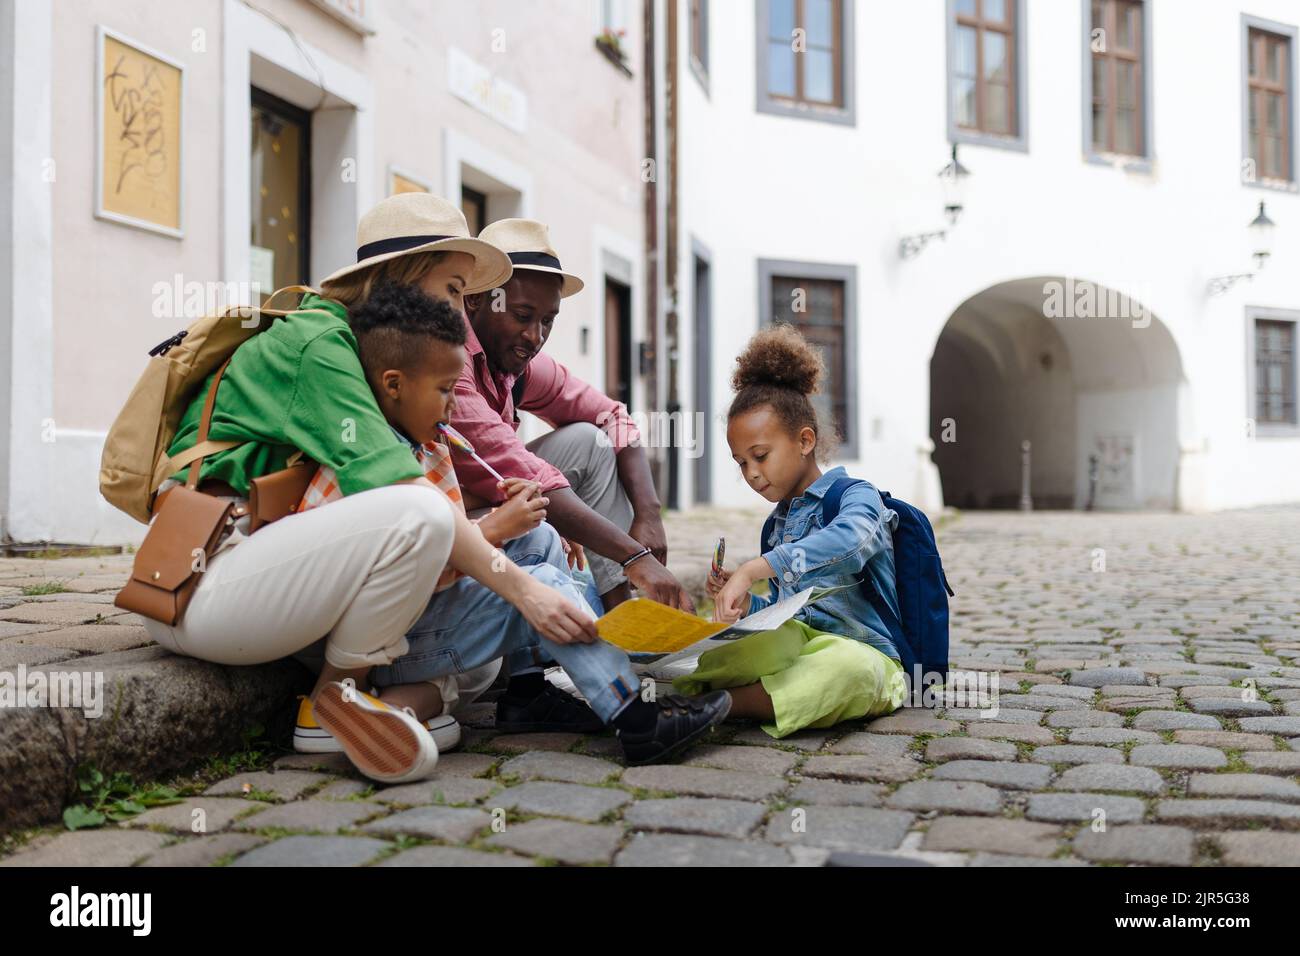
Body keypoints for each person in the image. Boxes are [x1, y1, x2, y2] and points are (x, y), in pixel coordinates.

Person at [674, 324, 909, 738]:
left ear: (804, 441)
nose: (751, 473)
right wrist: (744, 606)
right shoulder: (778, 524)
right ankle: (675, 694)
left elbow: (849, 545)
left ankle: (712, 705)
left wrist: (755, 568)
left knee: (847, 670)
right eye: (741, 462)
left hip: (866, 652)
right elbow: (784, 614)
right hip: (798, 643)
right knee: (745, 646)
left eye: (760, 456)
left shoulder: (858, 498)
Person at [452, 219, 694, 616]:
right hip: (450, 520)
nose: (535, 335)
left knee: (591, 439)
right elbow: (526, 474)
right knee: (541, 519)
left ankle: (624, 620)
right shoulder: (449, 362)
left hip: (494, 495)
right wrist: (635, 556)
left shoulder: (517, 365)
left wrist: (649, 515)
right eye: (522, 315)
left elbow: (612, 416)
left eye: (547, 320)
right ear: (476, 298)